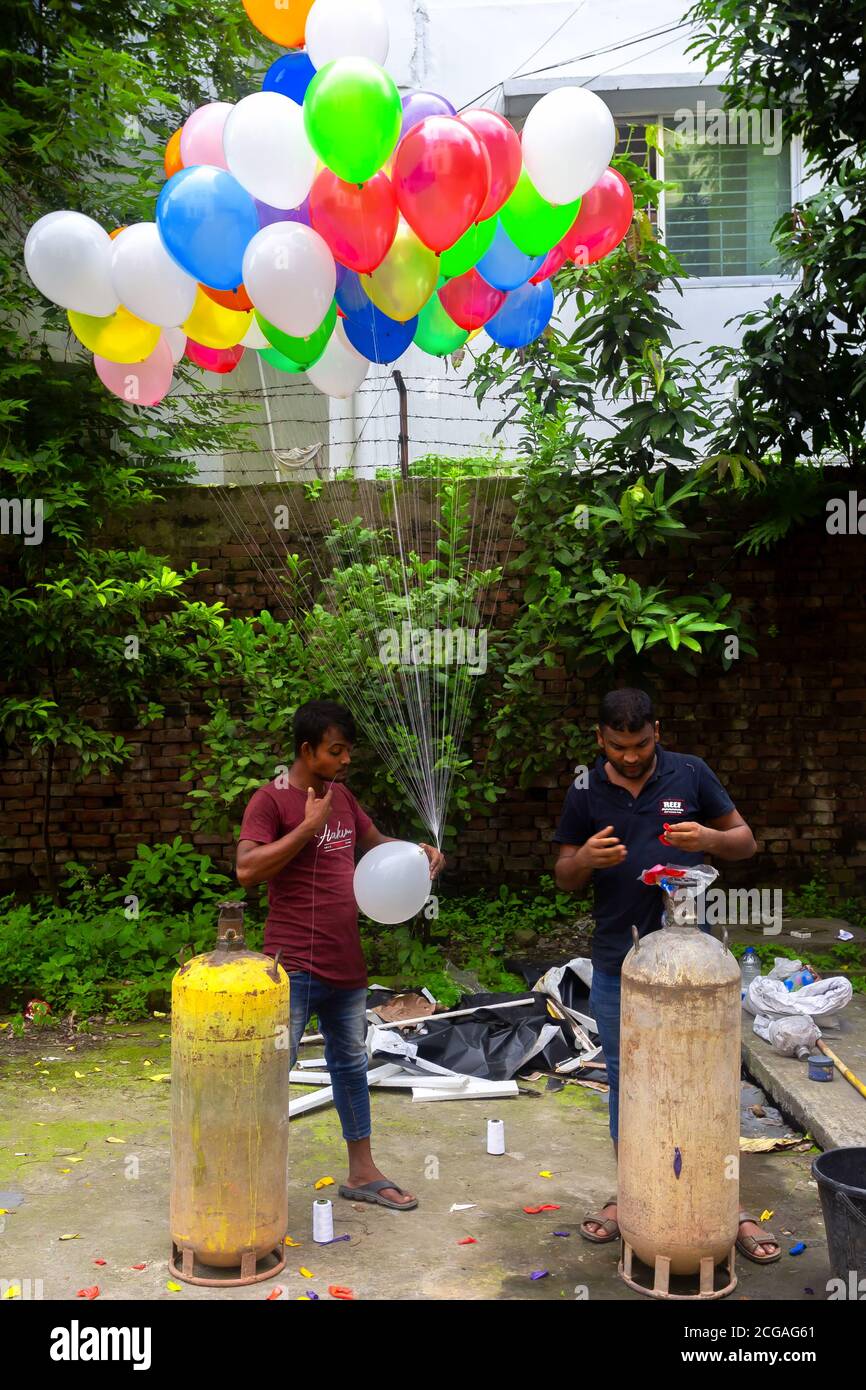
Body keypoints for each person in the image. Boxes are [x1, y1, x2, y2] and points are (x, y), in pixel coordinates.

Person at [553, 688, 780, 1264]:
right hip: (617, 961)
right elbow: (563, 874)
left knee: (707, 1081)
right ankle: (633, 1197)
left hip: (692, 965)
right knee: (627, 1083)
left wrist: (707, 840)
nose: (632, 757)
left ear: (657, 729)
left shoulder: (691, 773)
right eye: (619, 747)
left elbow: (745, 841)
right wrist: (586, 860)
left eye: (642, 744)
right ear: (600, 738)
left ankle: (724, 1206)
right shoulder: (585, 788)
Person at [236, 698, 445, 1212]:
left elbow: (376, 846)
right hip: (292, 965)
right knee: (272, 1068)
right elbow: (246, 869)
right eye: (336, 750)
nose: (346, 759)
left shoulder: (343, 797)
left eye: (348, 749)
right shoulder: (271, 801)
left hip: (345, 962)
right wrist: (305, 829)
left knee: (350, 1064)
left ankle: (363, 1171)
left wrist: (418, 852)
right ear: (307, 750)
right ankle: (246, 1179)